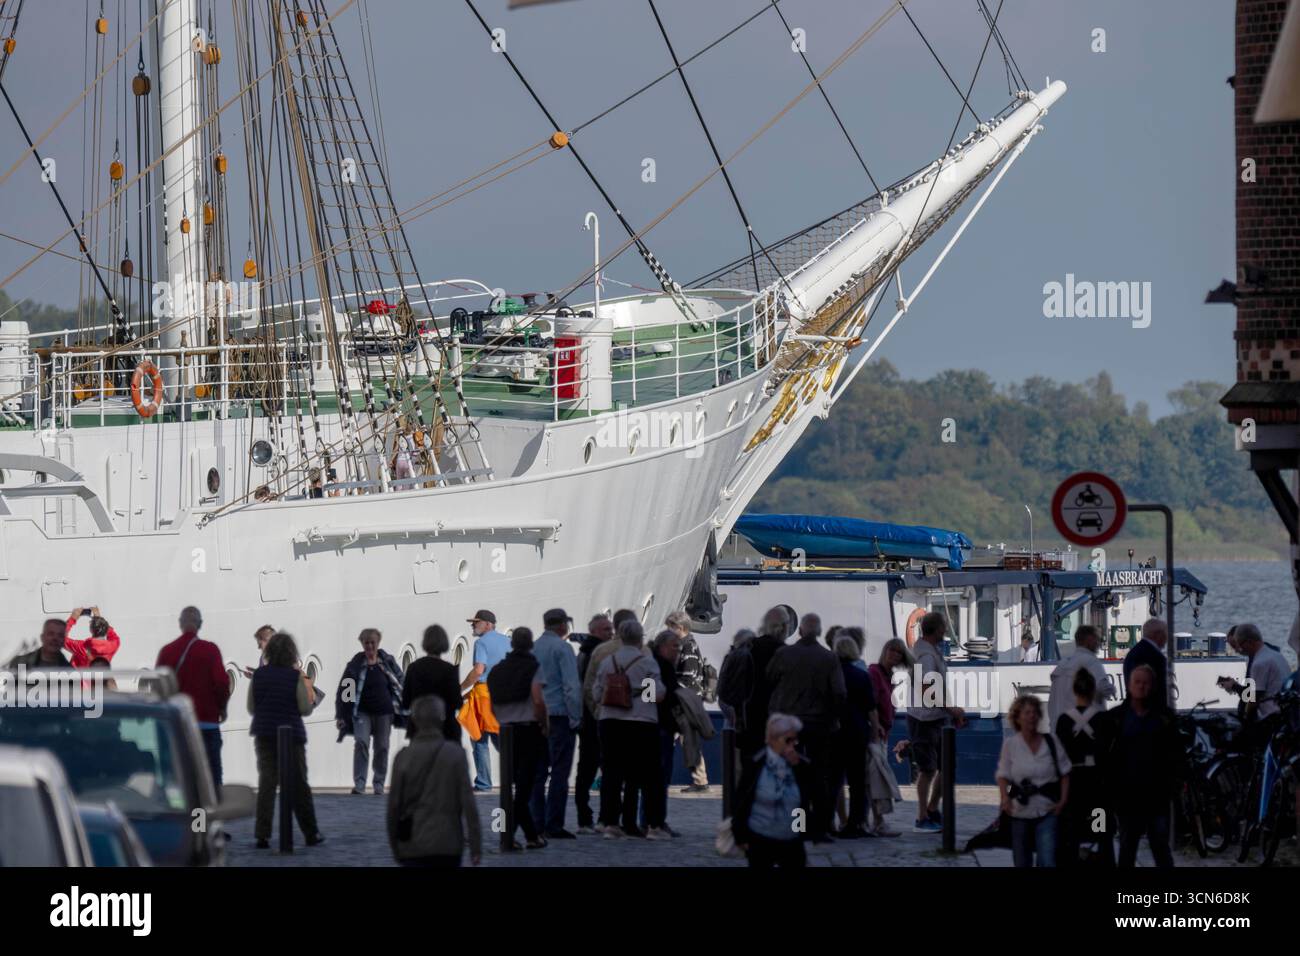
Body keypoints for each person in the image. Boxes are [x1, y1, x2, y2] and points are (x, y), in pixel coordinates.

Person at [765, 613, 847, 843]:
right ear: (819, 632)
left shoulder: (784, 654)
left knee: (792, 779)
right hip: (820, 726)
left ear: (800, 631)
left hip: (789, 728)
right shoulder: (829, 658)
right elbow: (839, 693)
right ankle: (819, 830)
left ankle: (797, 827)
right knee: (820, 779)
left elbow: (768, 680)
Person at [247, 632, 323, 849]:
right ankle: (311, 832)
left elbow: (252, 707)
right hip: (292, 735)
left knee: (267, 783)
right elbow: (305, 708)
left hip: (264, 733)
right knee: (299, 784)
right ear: (291, 652)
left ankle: (262, 835)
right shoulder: (294, 676)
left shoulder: (259, 675)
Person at [387, 696, 481, 867]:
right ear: (442, 720)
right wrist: (475, 846)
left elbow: (394, 806)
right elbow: (469, 805)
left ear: (414, 720)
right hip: (448, 844)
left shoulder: (403, 757)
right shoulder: (456, 754)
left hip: (413, 844)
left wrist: (395, 846)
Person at [592, 619, 664, 838]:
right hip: (641, 722)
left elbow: (596, 694)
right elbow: (656, 695)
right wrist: (637, 690)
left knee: (612, 773)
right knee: (647, 775)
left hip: (611, 721)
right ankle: (652, 825)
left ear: (620, 637)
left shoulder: (608, 662)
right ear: (640, 638)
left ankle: (611, 823)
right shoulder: (647, 663)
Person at [1104, 664, 1180, 868]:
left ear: (1153, 686)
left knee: (1160, 847)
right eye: (1137, 682)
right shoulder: (1116, 718)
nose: (1141, 687)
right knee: (1127, 848)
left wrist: (1173, 785)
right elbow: (1106, 757)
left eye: (1145, 683)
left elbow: (1176, 754)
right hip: (1127, 796)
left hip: (1157, 795)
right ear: (1128, 685)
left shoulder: (1165, 718)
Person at [487, 627, 548, 850]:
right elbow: (538, 700)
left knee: (507, 787)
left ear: (512, 644)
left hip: (505, 731)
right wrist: (544, 724)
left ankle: (528, 836)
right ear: (530, 644)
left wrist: (501, 720)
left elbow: (492, 704)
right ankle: (509, 837)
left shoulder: (497, 671)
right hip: (528, 729)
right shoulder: (533, 667)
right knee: (524, 789)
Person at [156, 607, 230, 789]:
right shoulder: (210, 650)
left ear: (180, 624)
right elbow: (221, 683)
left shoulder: (167, 651)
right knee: (212, 781)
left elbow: (159, 689)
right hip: (207, 724)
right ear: (200, 624)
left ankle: (191, 816)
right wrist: (222, 708)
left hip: (179, 726)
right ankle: (207, 817)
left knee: (183, 783)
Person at [909, 611, 966, 833]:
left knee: (945, 767)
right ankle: (923, 815)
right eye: (944, 628)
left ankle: (932, 809)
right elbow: (926, 690)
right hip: (925, 719)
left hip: (934, 718)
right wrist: (950, 709)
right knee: (928, 769)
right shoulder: (925, 656)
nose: (945, 631)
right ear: (939, 630)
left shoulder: (927, 651)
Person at [997, 693, 1070, 867]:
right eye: (1027, 713)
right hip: (1020, 810)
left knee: (1047, 860)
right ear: (1018, 717)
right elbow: (1003, 774)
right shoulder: (1011, 745)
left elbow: (1065, 773)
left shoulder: (1051, 742)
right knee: (1022, 861)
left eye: (1034, 712)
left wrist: (1063, 801)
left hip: (1047, 809)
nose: (1031, 716)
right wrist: (1004, 798)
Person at [732, 713, 814, 868]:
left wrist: (800, 833)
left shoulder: (800, 765)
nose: (792, 745)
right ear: (772, 739)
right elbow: (741, 800)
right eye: (788, 740)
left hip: (791, 839)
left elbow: (805, 800)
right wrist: (740, 835)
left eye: (794, 740)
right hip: (760, 836)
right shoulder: (756, 763)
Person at [530, 608, 583, 839]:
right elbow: (571, 687)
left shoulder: (532, 648)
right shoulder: (563, 648)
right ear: (563, 625)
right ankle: (554, 823)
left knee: (538, 773)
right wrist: (576, 718)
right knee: (560, 772)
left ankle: (536, 823)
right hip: (560, 716)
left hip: (535, 716)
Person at [1054, 667, 1114, 866]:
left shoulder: (1063, 721)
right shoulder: (1104, 720)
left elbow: (1059, 756)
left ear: (1074, 691)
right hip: (1098, 787)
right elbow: (1109, 753)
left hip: (1073, 787)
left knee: (1071, 836)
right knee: (1101, 835)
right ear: (1093, 690)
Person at [335, 628, 404, 795]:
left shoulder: (386, 662)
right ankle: (360, 783)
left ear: (378, 643)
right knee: (361, 742)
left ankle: (378, 783)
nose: (370, 646)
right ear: (362, 644)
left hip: (384, 712)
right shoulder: (355, 665)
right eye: (367, 643)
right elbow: (345, 692)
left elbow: (401, 682)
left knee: (382, 747)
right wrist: (342, 715)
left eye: (373, 642)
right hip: (362, 712)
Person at [831, 633, 877, 838]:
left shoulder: (830, 675)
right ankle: (856, 824)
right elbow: (871, 709)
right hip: (858, 732)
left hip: (834, 732)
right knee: (858, 782)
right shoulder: (861, 676)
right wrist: (875, 733)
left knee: (834, 780)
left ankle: (829, 823)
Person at [736, 606, 796, 761]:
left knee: (752, 771)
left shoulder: (749, 648)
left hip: (751, 720)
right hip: (779, 722)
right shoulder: (787, 653)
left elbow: (734, 686)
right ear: (783, 627)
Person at [459, 610, 509, 792]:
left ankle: (484, 782)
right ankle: (519, 775)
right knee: (502, 740)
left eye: (476, 622)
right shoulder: (508, 642)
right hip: (504, 697)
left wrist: (461, 688)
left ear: (488, 624)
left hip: (484, 698)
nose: (473, 625)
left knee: (479, 739)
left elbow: (479, 671)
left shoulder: (481, 643)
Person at [573, 614, 613, 833]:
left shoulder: (583, 651)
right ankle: (600, 818)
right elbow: (591, 686)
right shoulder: (597, 653)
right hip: (596, 716)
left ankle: (585, 816)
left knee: (586, 768)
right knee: (601, 767)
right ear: (595, 631)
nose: (611, 633)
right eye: (606, 630)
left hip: (587, 716)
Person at [866, 637, 910, 836]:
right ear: (885, 651)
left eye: (899, 653)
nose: (895, 655)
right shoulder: (874, 672)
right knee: (876, 777)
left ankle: (874, 821)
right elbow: (871, 702)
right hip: (875, 733)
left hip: (884, 732)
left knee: (874, 778)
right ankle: (878, 822)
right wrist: (876, 727)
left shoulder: (888, 675)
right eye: (892, 651)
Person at [1219, 623, 1289, 740]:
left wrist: (1244, 726)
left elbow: (1253, 699)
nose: (1239, 650)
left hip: (1269, 719)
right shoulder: (1277, 655)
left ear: (1249, 642)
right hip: (1283, 716)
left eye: (1240, 645)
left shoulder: (1260, 663)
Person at [666, 610, 709, 793]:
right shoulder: (685, 645)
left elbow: (688, 677)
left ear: (680, 627)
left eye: (671, 627)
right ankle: (700, 780)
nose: (668, 630)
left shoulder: (688, 647)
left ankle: (700, 781)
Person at [401, 625, 463, 742]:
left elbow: (405, 702)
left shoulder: (413, 668)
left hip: (418, 729)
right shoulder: (449, 670)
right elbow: (457, 702)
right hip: (446, 730)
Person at [648, 628, 682, 840]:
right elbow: (650, 695)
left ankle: (653, 820)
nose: (678, 651)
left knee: (656, 778)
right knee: (659, 777)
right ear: (662, 647)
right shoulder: (658, 666)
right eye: (674, 646)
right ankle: (655, 822)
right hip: (658, 726)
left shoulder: (661, 664)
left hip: (658, 726)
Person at [1047, 624, 1115, 726]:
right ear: (1090, 640)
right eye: (1097, 639)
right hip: (1082, 731)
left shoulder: (1062, 665)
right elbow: (1105, 689)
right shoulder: (1091, 662)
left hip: (1058, 729)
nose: (1098, 643)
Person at [1123, 618, 1171, 711]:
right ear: (1157, 634)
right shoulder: (1153, 656)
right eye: (1165, 634)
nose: (1166, 638)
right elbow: (1156, 689)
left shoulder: (1135, 651)